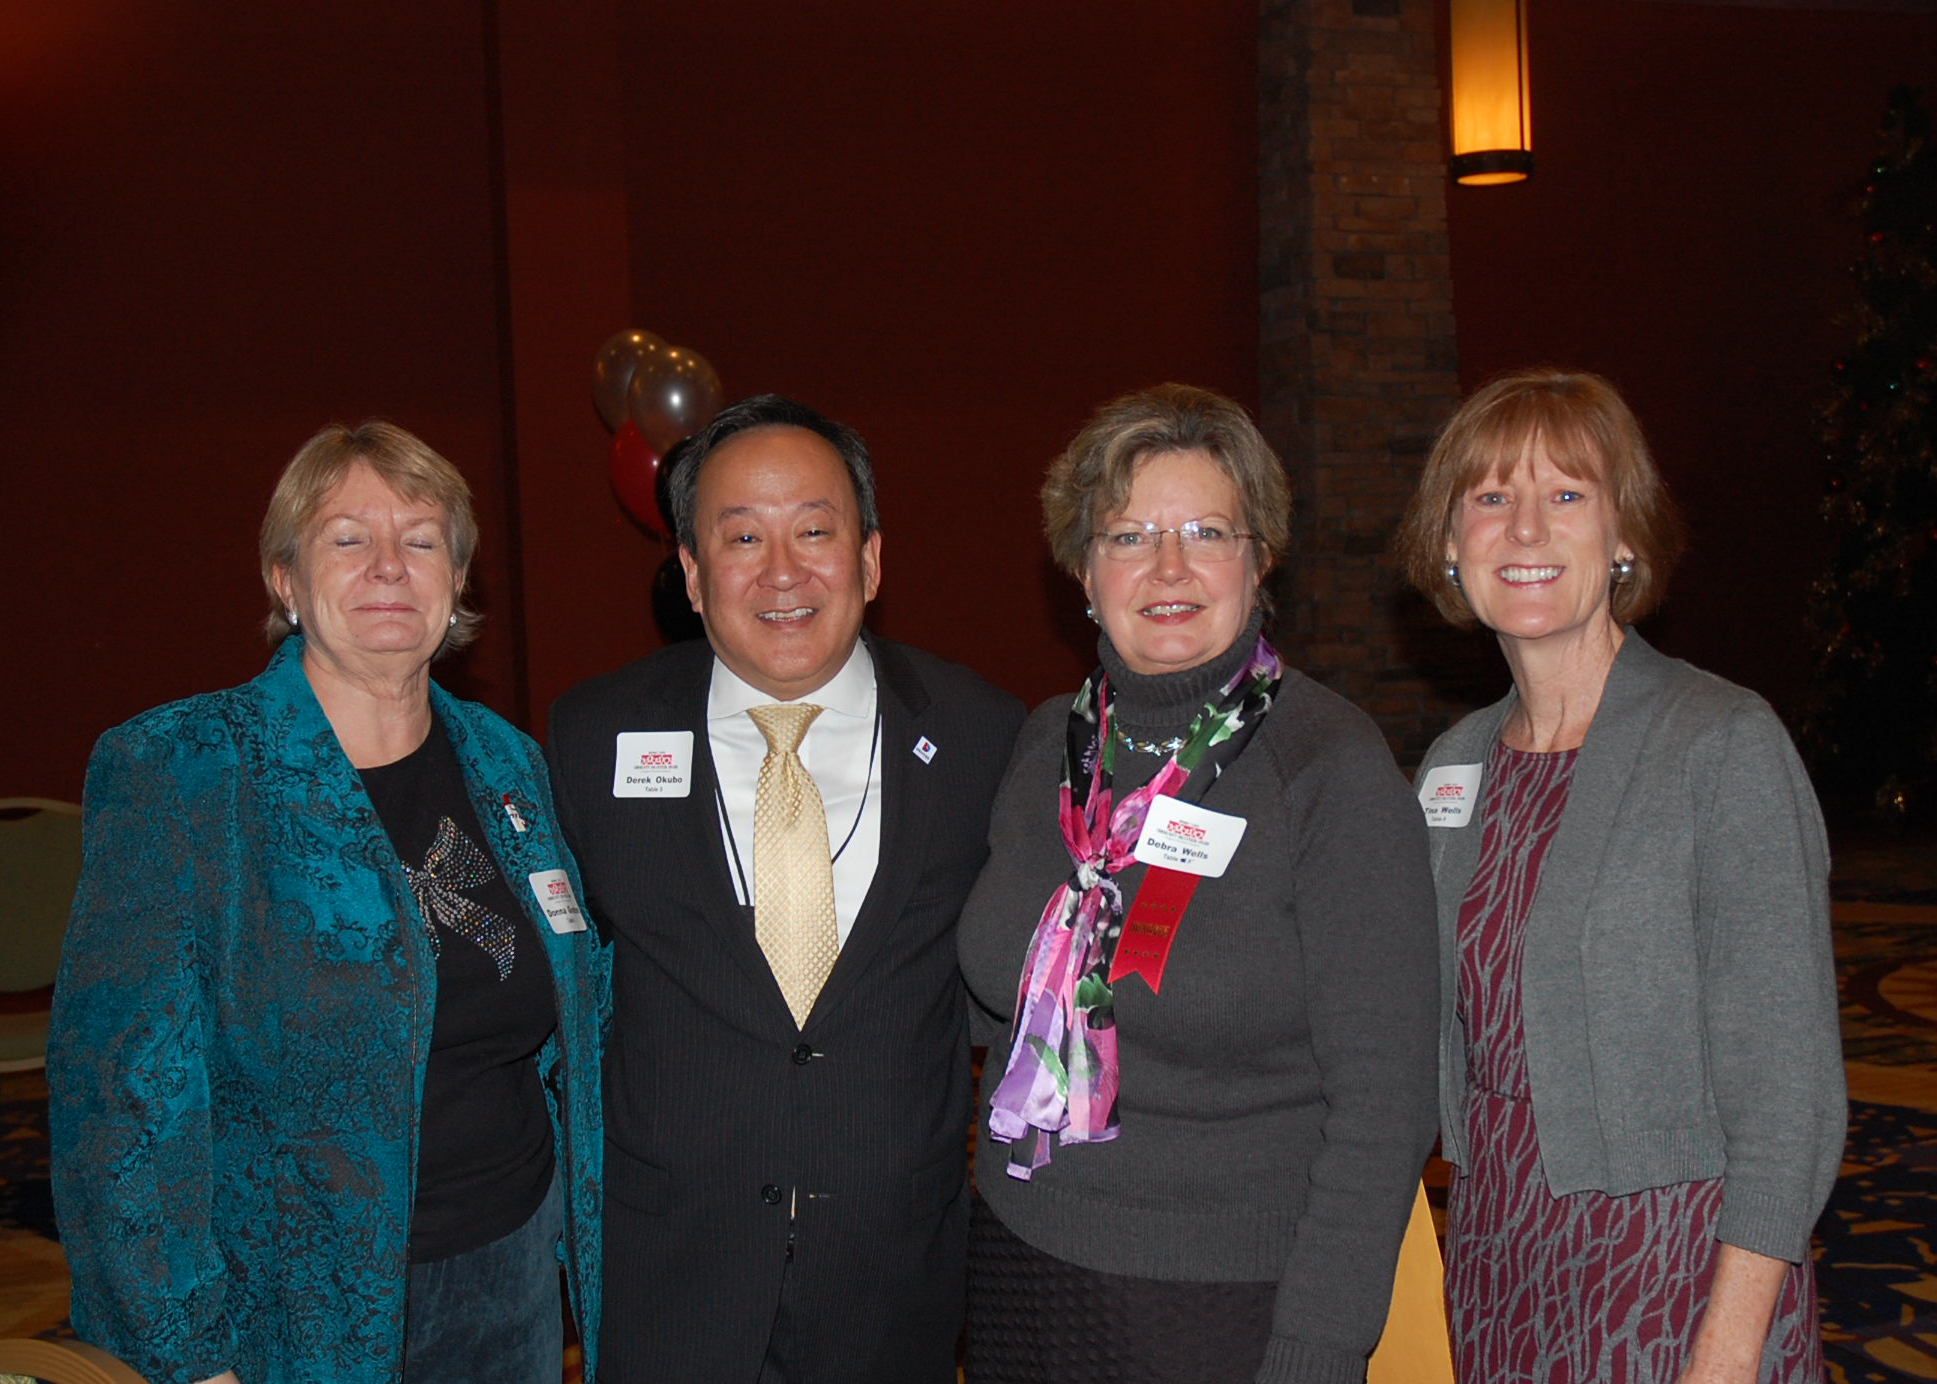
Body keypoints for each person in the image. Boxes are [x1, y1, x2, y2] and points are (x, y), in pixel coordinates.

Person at [48, 422, 606, 1384]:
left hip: (510, 1262)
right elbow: (120, 1110)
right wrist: (187, 1360)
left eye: (421, 540)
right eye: (347, 539)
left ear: (458, 578)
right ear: (285, 581)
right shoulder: (186, 770)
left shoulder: (508, 761)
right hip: (294, 1307)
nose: (389, 565)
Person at [958, 384, 1439, 1383]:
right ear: (1082, 573)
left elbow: (1385, 1105)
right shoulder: (1047, 741)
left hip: (1224, 1301)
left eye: (1203, 531)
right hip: (1019, 1263)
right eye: (1127, 535)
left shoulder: (1327, 768)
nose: (1166, 566)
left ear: (1257, 561)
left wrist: (1320, 1343)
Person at [545, 394, 1025, 1384]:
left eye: (814, 530)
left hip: (892, 1289)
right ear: (688, 573)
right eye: (741, 537)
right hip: (668, 1286)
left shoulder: (983, 739)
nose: (782, 572)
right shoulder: (589, 742)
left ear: (871, 557)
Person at [1395, 368, 1846, 1383]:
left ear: (1623, 536)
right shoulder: (1453, 765)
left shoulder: (1719, 742)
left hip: (1673, 1271)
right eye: (1489, 498)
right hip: (1498, 1253)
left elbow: (1788, 1093)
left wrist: (1724, 1353)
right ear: (1450, 549)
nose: (1524, 530)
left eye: (1565, 496)